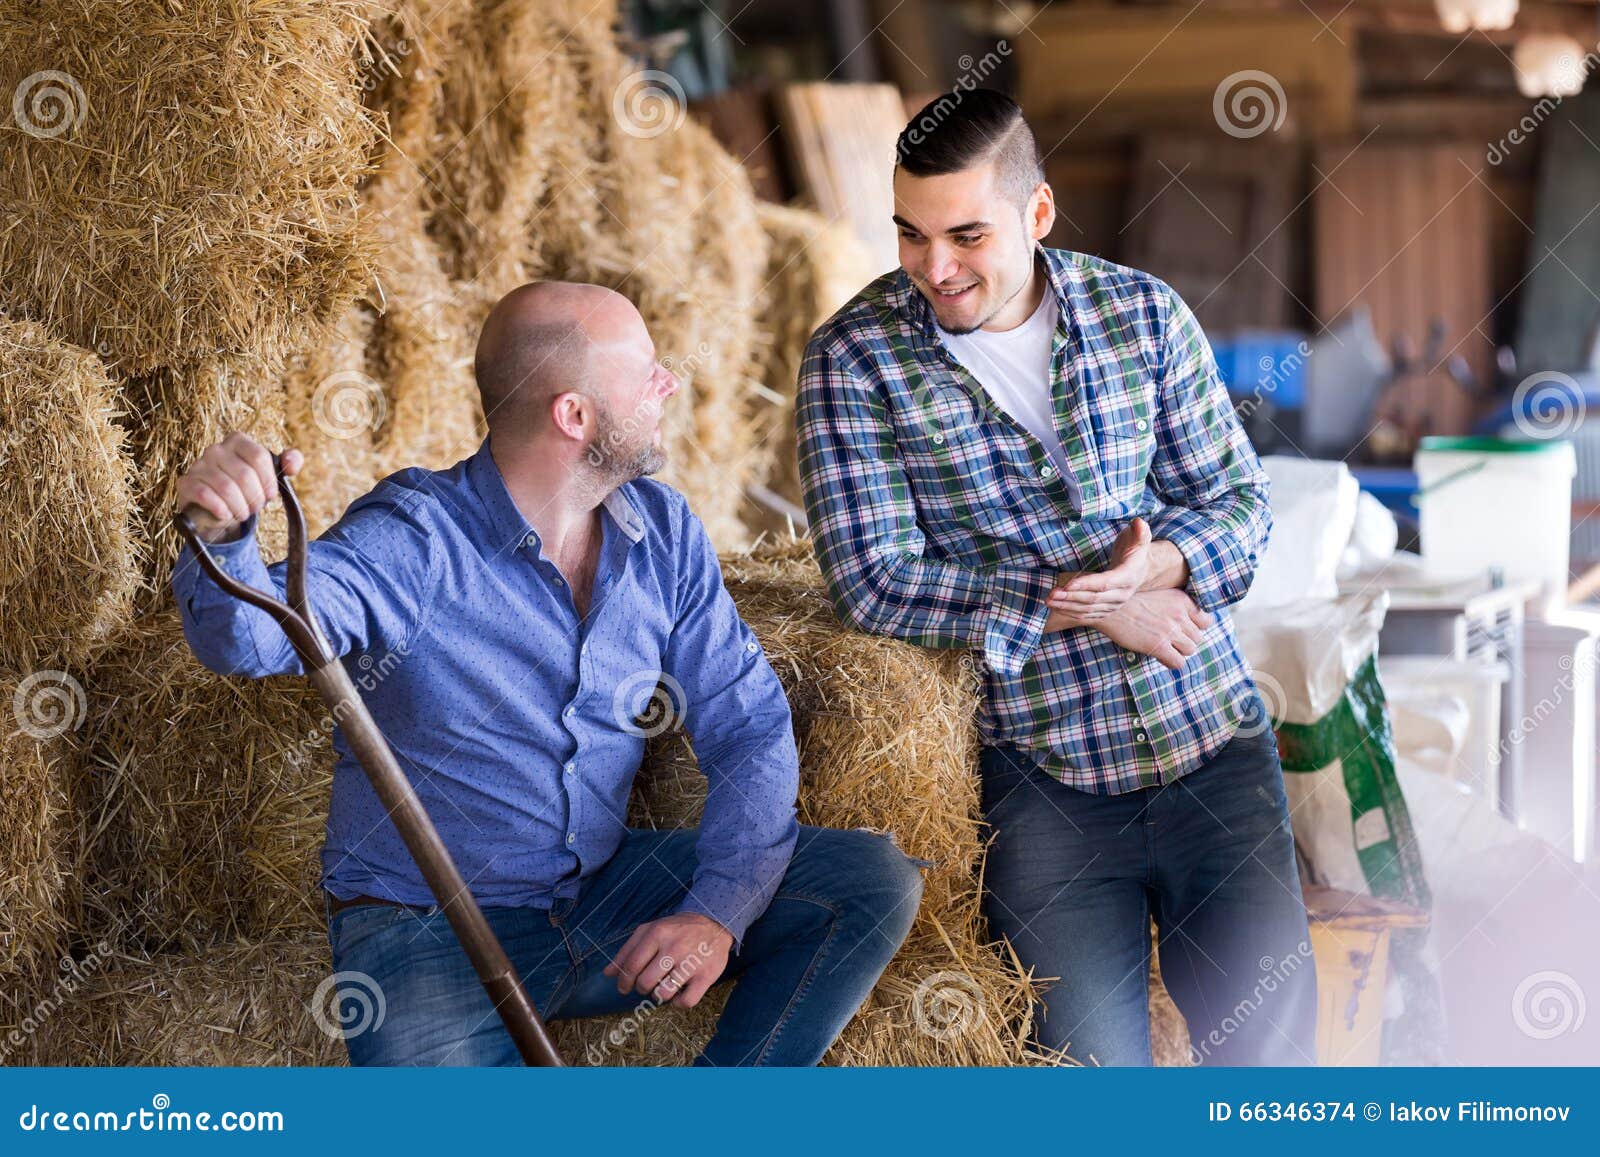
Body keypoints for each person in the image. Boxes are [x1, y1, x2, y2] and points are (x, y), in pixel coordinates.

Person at [172, 281, 924, 1066]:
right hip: (430, 930)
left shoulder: (662, 532)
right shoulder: (417, 537)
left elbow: (748, 726)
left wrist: (716, 912)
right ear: (574, 415)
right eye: (646, 370)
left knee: (868, 881)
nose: (669, 383)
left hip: (599, 894)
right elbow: (250, 637)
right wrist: (223, 537)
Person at [796, 90, 1316, 1066]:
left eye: (966, 235)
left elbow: (1239, 505)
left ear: (1036, 212)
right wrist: (1086, 608)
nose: (934, 268)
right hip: (1045, 786)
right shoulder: (852, 360)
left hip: (1213, 748)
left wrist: (1155, 566)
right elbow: (872, 579)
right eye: (910, 234)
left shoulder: (1141, 314)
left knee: (1272, 1071)